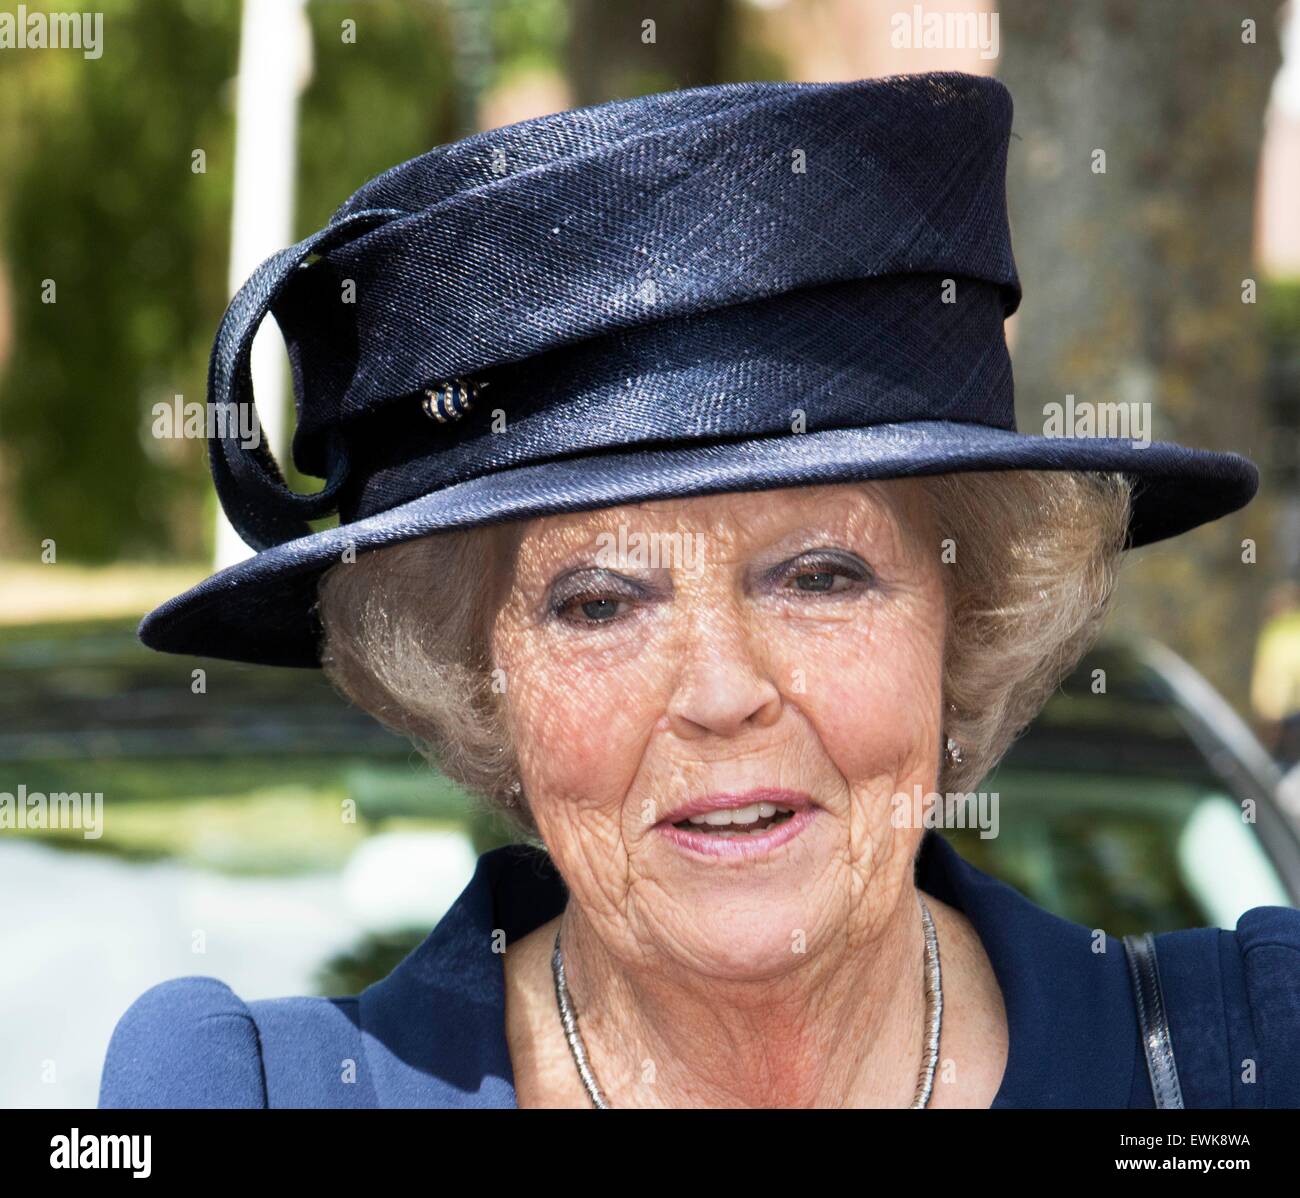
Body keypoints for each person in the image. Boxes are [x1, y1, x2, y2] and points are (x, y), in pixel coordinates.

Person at [98, 72, 1298, 1109]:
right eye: (599, 602)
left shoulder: (1244, 1057)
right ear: (476, 679)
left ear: (965, 625)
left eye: (820, 576)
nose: (722, 693)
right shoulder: (256, 1100)